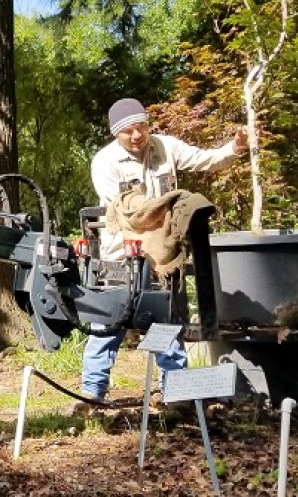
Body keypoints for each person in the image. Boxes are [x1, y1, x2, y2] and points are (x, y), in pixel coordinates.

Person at [80, 97, 247, 401]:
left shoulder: (166, 146)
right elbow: (129, 212)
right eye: (128, 131)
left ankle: (175, 393)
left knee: (167, 323)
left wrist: (235, 148)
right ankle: (92, 394)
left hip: (165, 258)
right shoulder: (104, 162)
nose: (137, 135)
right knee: (108, 323)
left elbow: (205, 159)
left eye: (141, 127)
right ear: (116, 134)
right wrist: (166, 208)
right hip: (122, 257)